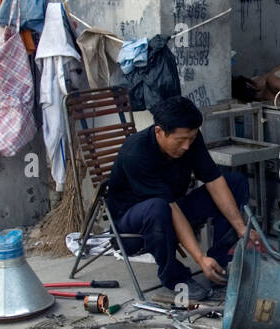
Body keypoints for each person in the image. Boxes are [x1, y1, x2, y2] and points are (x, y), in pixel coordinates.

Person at [105, 96, 253, 303]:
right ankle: (174, 277)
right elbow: (169, 207)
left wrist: (240, 227)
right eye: (180, 140)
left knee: (234, 181)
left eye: (191, 139)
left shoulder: (189, 138)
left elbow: (214, 180)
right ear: (159, 132)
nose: (186, 146)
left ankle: (219, 265)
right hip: (132, 229)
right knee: (159, 206)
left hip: (173, 209)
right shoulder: (136, 153)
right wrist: (199, 258)